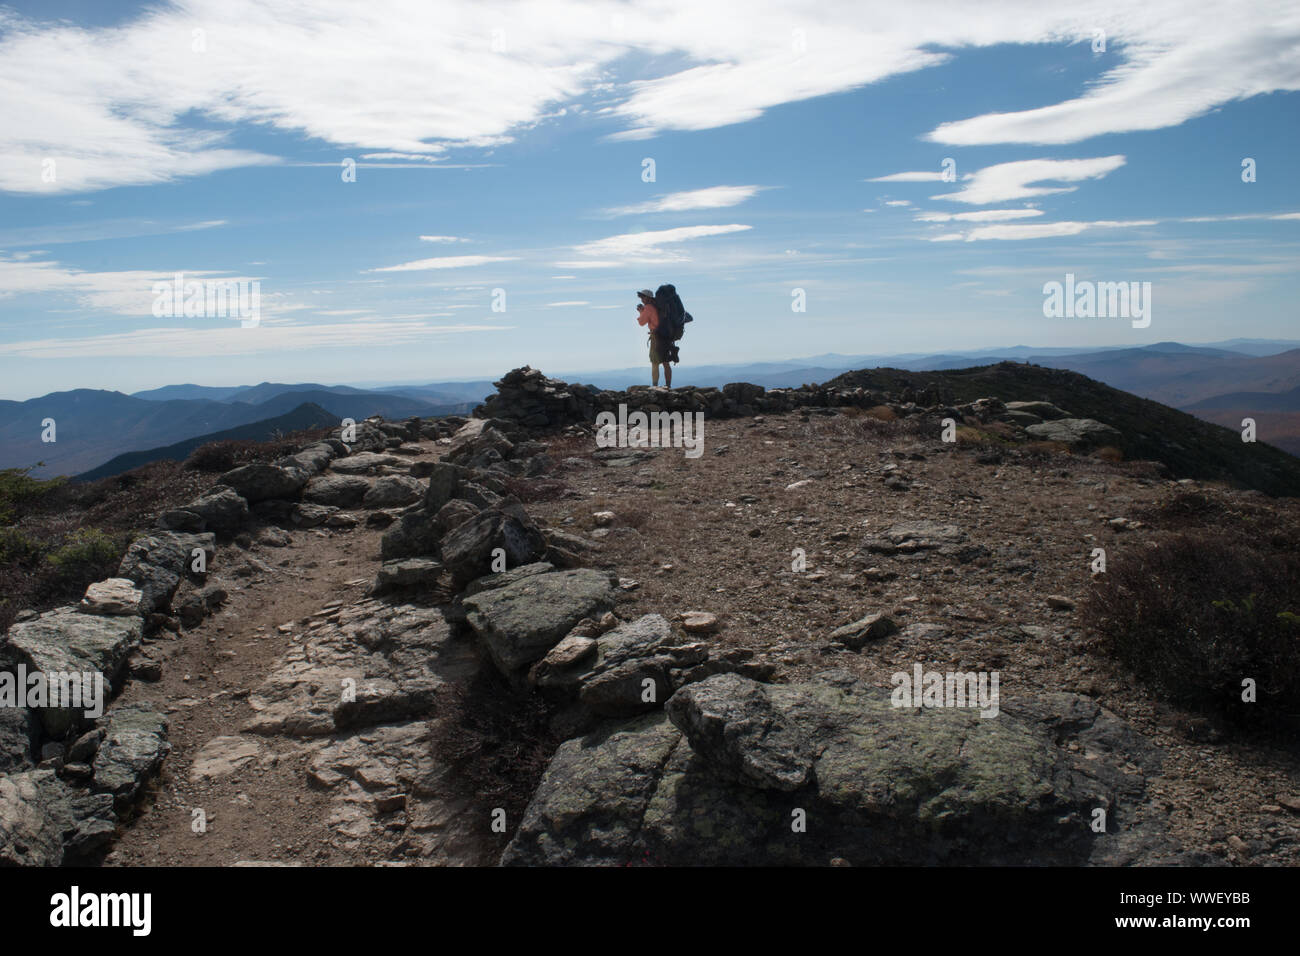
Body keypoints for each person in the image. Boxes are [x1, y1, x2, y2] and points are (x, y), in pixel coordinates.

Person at [636, 288, 672, 387]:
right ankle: (668, 386)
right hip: (666, 336)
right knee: (666, 362)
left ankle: (655, 386)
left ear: (647, 298)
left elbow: (641, 322)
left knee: (654, 362)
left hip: (656, 337)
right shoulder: (657, 306)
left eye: (642, 297)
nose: (641, 299)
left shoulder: (648, 308)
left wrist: (640, 312)